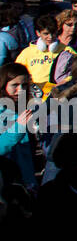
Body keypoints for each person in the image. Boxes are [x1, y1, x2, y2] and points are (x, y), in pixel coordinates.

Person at [0, 62, 37, 190]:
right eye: (14, 85)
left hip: (26, 180)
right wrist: (18, 128)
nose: (20, 90)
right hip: (6, 182)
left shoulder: (26, 108)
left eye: (25, 85)